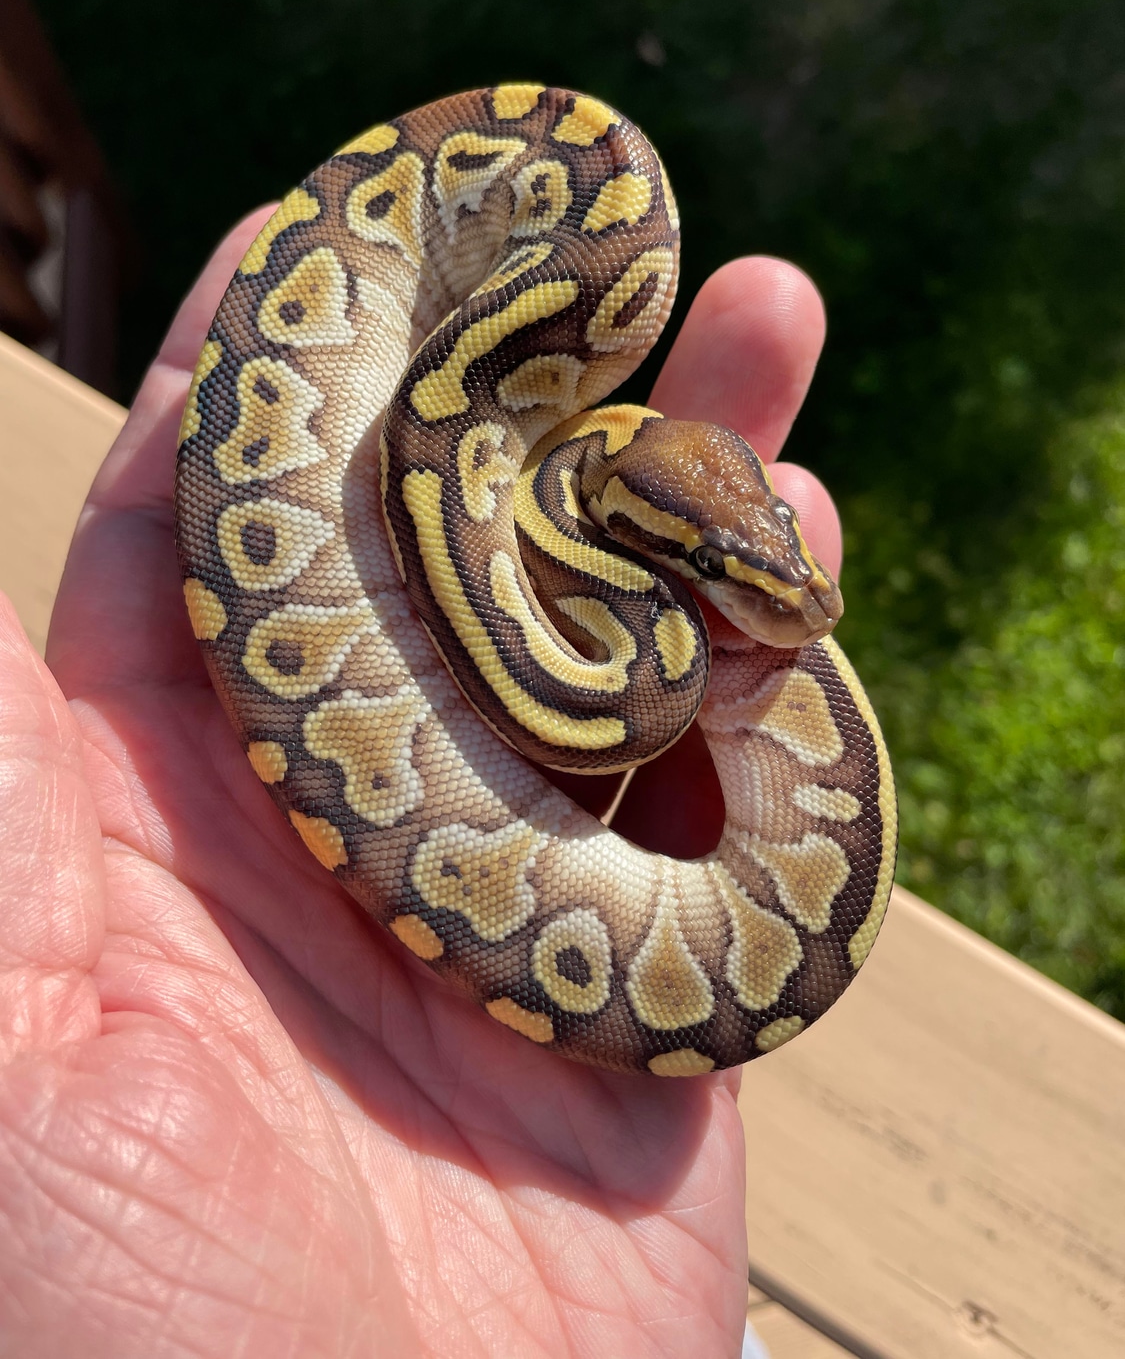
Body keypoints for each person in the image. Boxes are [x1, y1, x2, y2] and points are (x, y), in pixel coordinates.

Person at [0, 207, 839, 1357]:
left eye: (749, 557)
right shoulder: (611, 630)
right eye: (708, 565)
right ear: (622, 526)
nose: (795, 605)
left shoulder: (593, 562)